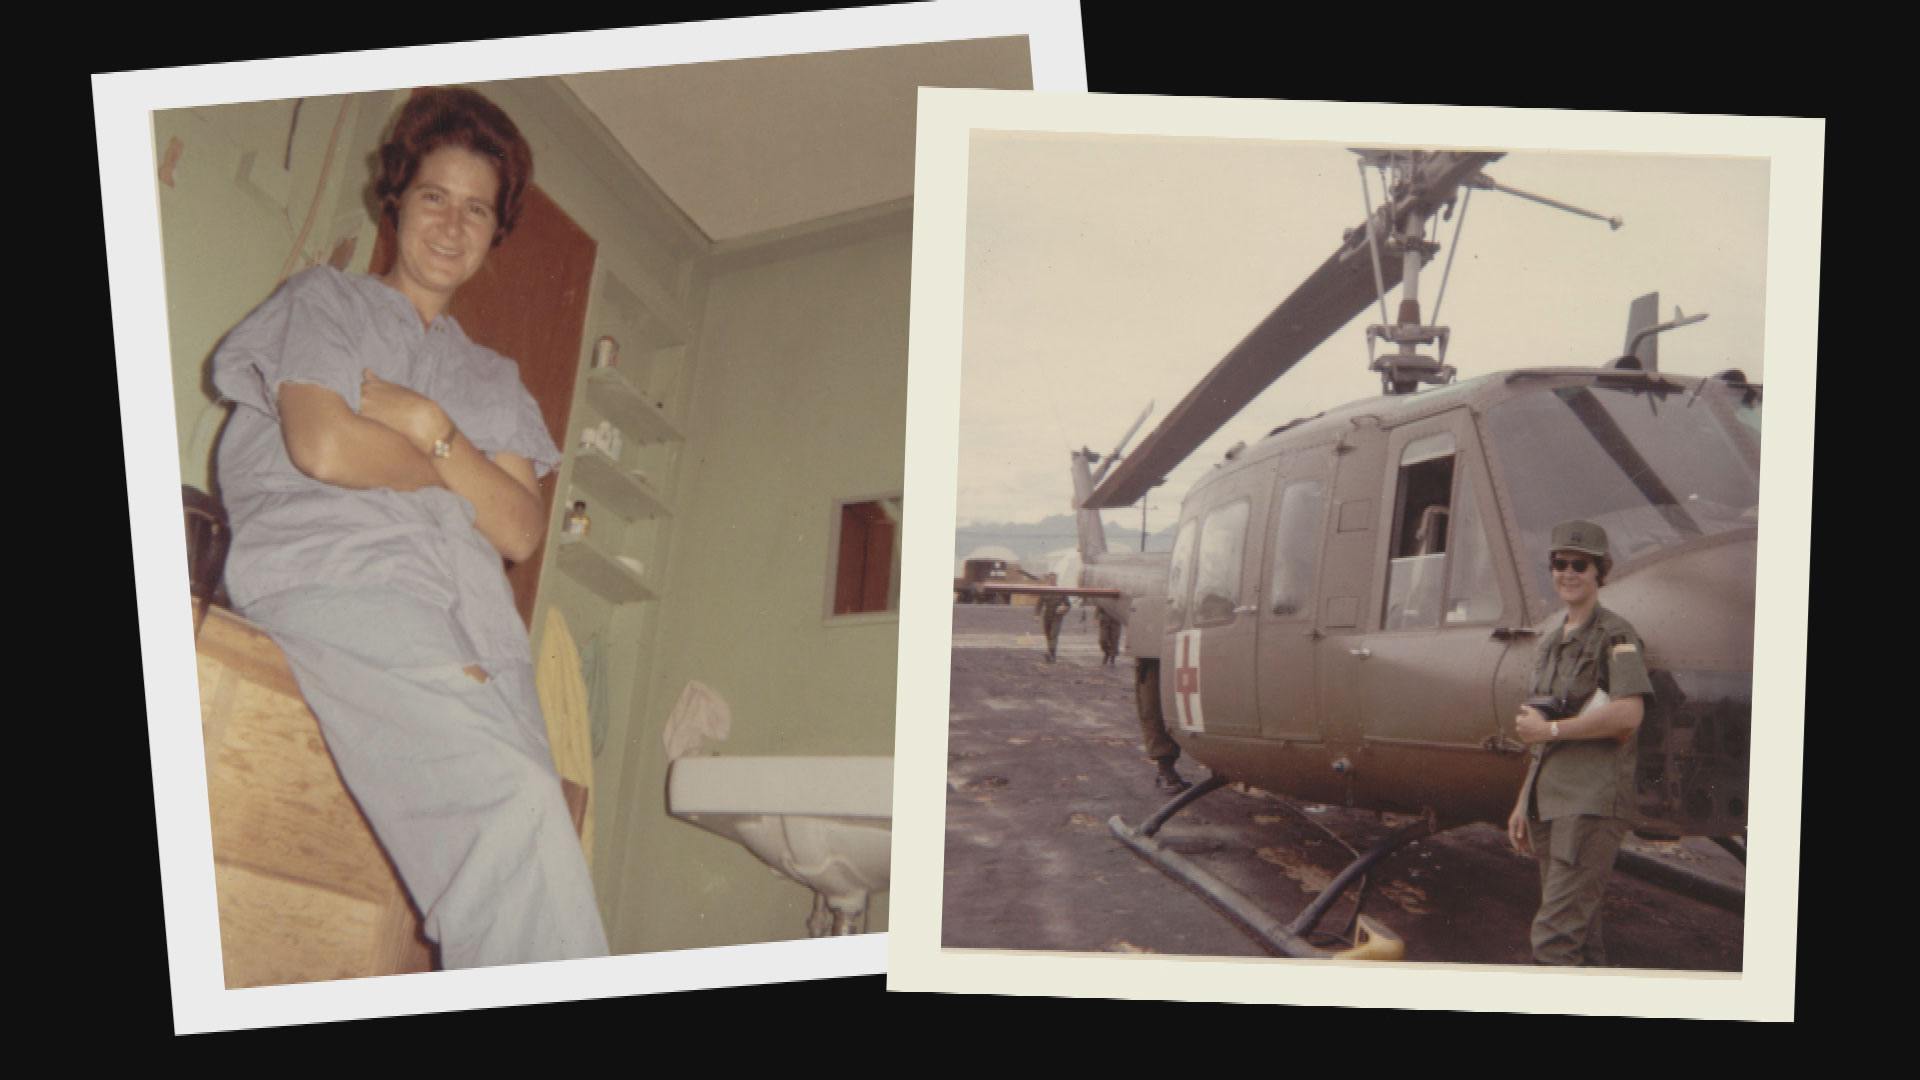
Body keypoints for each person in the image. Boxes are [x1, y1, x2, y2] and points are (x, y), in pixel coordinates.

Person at [210, 86, 610, 969]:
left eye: (478, 209)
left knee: (536, 832)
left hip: (474, 626)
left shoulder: (492, 376)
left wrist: (422, 421)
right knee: (514, 814)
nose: (453, 225)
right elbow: (321, 446)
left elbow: (516, 529)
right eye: (435, 196)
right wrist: (452, 468)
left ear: (496, 229)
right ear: (396, 197)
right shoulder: (325, 303)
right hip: (344, 579)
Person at [1505, 519, 1653, 966]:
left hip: (1590, 804)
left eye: (1579, 564)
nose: (1568, 573)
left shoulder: (1615, 635)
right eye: (1559, 563)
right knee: (1580, 935)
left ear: (1598, 571)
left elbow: (1629, 714)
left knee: (1554, 940)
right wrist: (1522, 801)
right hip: (1551, 803)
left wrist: (1551, 731)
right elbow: (1540, 729)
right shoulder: (1552, 642)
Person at [1038, 594, 1069, 662]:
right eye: (1051, 582)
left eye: (1053, 582)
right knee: (1048, 636)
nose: (1052, 583)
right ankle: (1052, 654)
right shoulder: (1045, 592)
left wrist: (1063, 610)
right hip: (1047, 617)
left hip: (1057, 617)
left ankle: (1051, 654)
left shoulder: (1061, 593)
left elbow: (1068, 605)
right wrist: (1036, 614)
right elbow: (1039, 604)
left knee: (1053, 635)